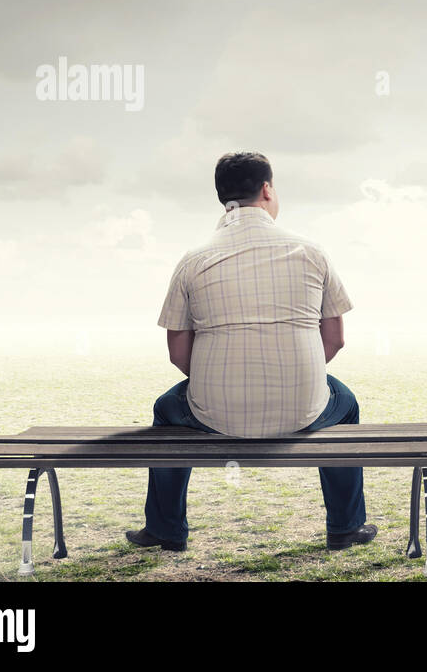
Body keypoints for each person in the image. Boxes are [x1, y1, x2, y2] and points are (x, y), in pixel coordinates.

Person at [125, 151, 376, 552]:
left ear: (221, 197)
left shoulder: (193, 260)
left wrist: (212, 381)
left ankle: (166, 529)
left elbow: (177, 352)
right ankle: (345, 527)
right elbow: (335, 339)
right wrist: (301, 375)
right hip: (303, 409)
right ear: (267, 189)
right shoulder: (311, 252)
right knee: (344, 404)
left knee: (166, 409)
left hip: (213, 413)